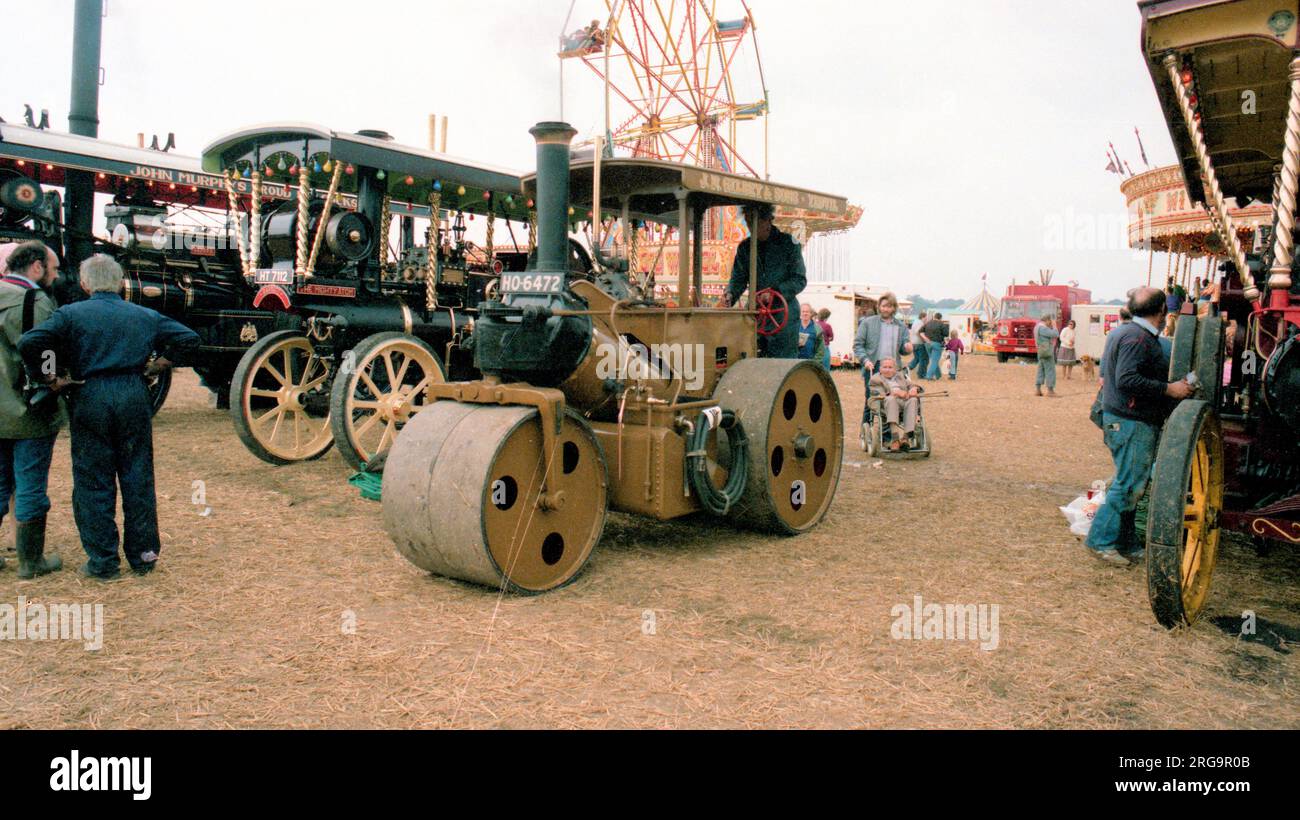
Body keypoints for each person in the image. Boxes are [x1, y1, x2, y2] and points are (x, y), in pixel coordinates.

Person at [19, 254, 199, 580]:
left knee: (93, 480)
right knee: (137, 476)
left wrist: (50, 377)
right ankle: (144, 556)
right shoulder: (144, 314)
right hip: (133, 394)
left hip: (90, 395)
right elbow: (189, 338)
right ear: (119, 283)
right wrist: (161, 362)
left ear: (85, 284)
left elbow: (31, 342)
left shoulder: (70, 315)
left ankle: (102, 562)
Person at [1085, 287, 1195, 566]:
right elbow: (1127, 380)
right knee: (1127, 486)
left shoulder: (1123, 332)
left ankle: (1125, 542)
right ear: (1162, 312)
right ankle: (1101, 541)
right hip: (1131, 422)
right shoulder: (1138, 338)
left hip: (1122, 420)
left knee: (1132, 484)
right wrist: (1168, 390)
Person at [0, 242, 66, 578]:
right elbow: (47, 355)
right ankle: (30, 561)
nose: (55, 277)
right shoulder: (36, 301)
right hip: (27, 412)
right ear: (37, 267)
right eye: (53, 270)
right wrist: (55, 380)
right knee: (29, 484)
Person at [722, 203, 806, 359]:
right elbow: (738, 278)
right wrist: (730, 294)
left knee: (782, 363)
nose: (750, 227)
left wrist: (775, 292)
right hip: (756, 314)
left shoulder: (789, 243)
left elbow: (799, 279)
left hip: (783, 316)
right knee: (748, 356)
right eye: (748, 222)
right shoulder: (745, 248)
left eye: (755, 222)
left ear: (768, 221)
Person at [853, 292, 912, 427]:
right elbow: (858, 345)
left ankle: (890, 433)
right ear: (879, 306)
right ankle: (866, 429)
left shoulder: (901, 326)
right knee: (872, 399)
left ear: (894, 308)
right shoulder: (868, 323)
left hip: (893, 368)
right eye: (884, 306)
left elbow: (904, 348)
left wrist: (907, 348)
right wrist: (865, 360)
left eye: (889, 306)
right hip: (874, 366)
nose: (886, 309)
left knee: (893, 398)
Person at [869, 358, 920, 452]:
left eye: (890, 367)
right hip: (884, 404)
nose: (887, 369)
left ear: (895, 369)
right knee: (891, 399)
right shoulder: (875, 379)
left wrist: (914, 389)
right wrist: (895, 393)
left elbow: (912, 385)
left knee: (913, 400)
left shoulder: (900, 376)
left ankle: (905, 438)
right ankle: (895, 439)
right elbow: (879, 394)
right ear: (880, 369)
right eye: (885, 367)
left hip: (903, 402)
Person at [795, 303, 827, 367]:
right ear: (800, 313)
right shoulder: (794, 327)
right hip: (795, 363)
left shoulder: (817, 328)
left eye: (807, 312)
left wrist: (815, 363)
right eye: (803, 311)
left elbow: (820, 350)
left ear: (810, 313)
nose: (805, 313)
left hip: (810, 364)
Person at [1034, 314, 1059, 396]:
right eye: (1050, 321)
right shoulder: (1043, 328)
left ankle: (1038, 389)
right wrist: (1055, 326)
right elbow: (1055, 334)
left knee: (1040, 369)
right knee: (1050, 370)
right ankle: (1050, 390)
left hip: (1040, 351)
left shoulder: (1037, 327)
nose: (1050, 322)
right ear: (1047, 320)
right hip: (1047, 351)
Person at [920, 311, 947, 381]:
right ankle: (929, 376)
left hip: (927, 344)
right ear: (940, 318)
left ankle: (938, 375)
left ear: (934, 317)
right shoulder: (941, 324)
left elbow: (920, 332)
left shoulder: (927, 323)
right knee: (934, 361)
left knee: (933, 360)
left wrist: (926, 339)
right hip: (937, 344)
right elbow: (946, 334)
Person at [908, 311, 928, 376]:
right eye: (926, 317)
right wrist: (924, 339)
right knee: (923, 359)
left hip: (913, 343)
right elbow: (918, 332)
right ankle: (921, 374)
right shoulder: (920, 323)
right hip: (919, 343)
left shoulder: (915, 322)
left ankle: (907, 369)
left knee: (917, 358)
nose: (926, 319)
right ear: (923, 317)